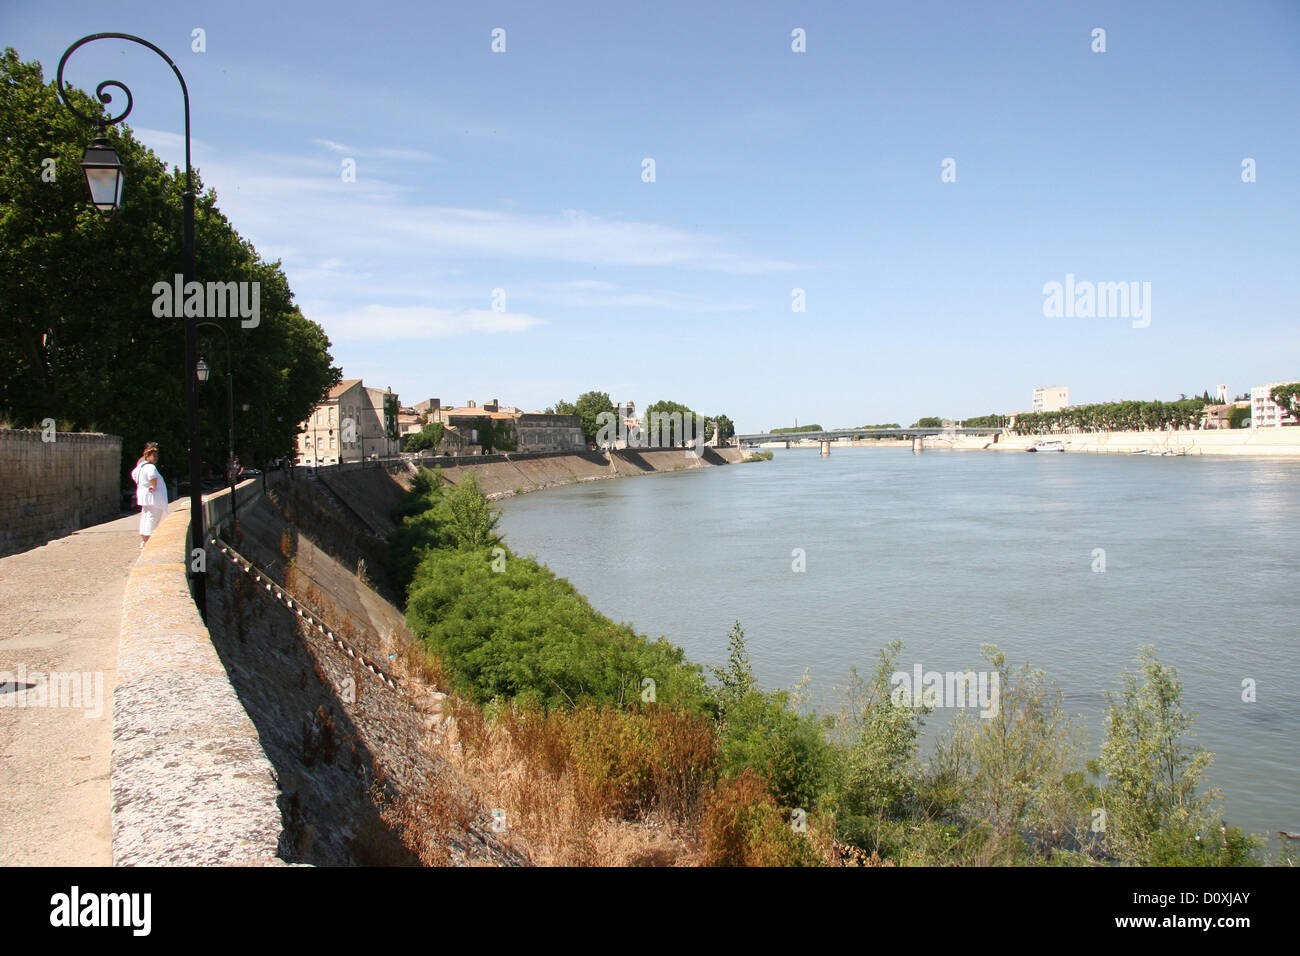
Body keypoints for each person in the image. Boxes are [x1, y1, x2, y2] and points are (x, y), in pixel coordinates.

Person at [130, 443, 168, 548]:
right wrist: (152, 485)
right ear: (147, 456)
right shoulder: (150, 467)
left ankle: (145, 540)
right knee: (152, 518)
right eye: (154, 456)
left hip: (144, 496)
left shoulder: (140, 467)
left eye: (156, 456)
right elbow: (152, 476)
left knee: (145, 518)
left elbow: (133, 475)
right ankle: (150, 542)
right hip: (153, 497)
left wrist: (143, 485)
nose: (156, 458)